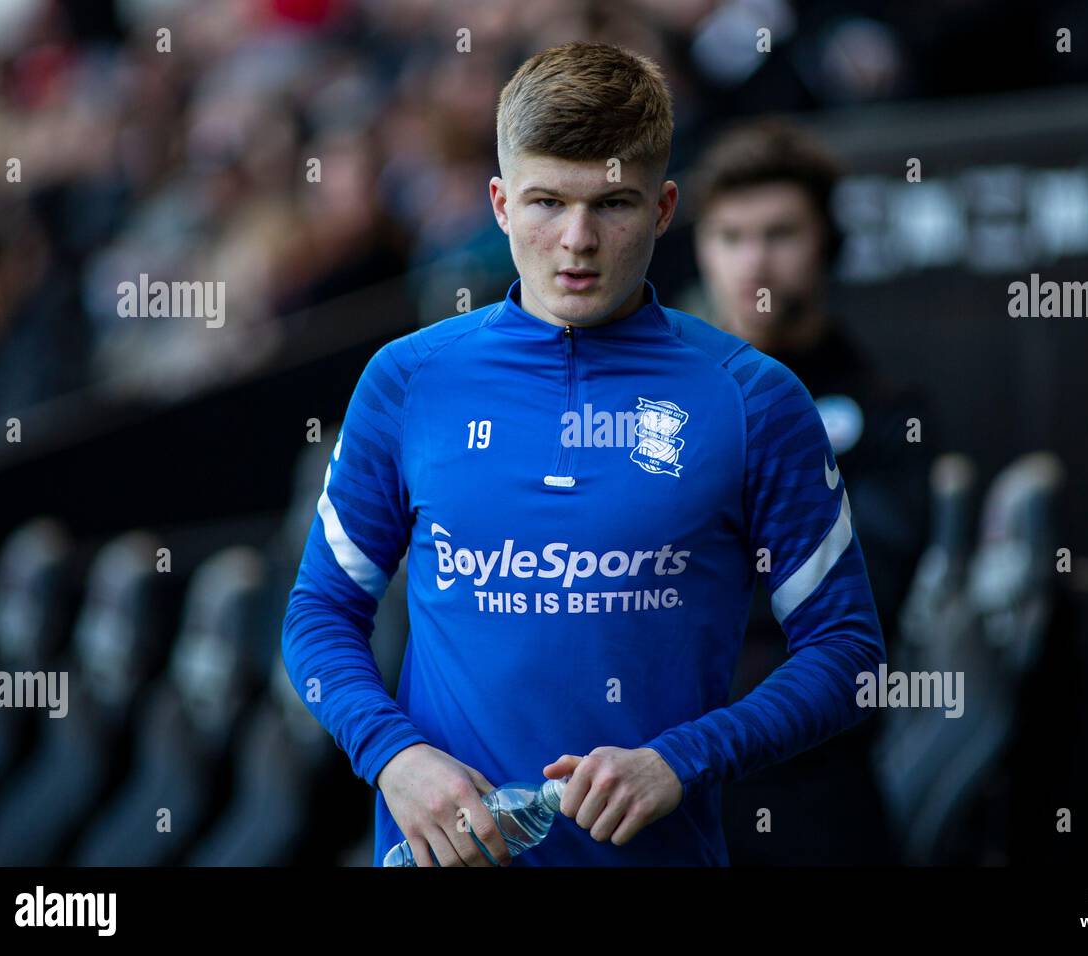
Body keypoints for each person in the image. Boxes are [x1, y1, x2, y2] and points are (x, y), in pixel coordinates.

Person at [282, 41, 885, 867]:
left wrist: (684, 759)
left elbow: (848, 652)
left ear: (666, 208)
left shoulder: (752, 397)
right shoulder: (408, 381)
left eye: (612, 204)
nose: (576, 240)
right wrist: (394, 755)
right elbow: (318, 613)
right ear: (497, 203)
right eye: (544, 202)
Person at [691, 119, 932, 863]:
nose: (753, 261)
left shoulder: (890, 415)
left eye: (779, 233)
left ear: (829, 244)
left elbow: (852, 617)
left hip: (800, 767)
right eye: (730, 236)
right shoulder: (657, 405)